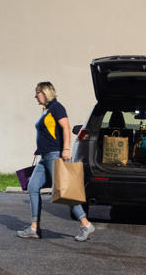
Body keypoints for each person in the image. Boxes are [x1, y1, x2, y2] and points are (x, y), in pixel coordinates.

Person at [17, 81, 95, 242]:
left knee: (64, 190)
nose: (35, 96)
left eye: (37, 92)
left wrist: (66, 149)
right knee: (32, 187)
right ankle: (34, 227)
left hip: (54, 156)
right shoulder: (46, 111)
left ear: (45, 92)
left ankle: (85, 224)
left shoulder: (57, 107)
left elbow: (66, 127)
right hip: (44, 156)